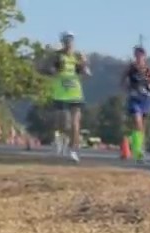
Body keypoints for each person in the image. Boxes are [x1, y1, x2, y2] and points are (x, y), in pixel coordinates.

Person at [44, 31, 90, 163]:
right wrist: (53, 70)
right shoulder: (57, 56)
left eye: (71, 40)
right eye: (66, 40)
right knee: (63, 123)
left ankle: (73, 150)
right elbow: (48, 69)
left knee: (76, 124)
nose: (69, 43)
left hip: (75, 94)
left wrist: (84, 64)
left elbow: (86, 74)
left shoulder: (77, 57)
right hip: (61, 94)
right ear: (63, 42)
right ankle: (60, 140)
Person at [122, 45, 150, 164]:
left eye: (141, 54)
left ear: (145, 56)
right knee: (137, 121)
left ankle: (139, 149)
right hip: (134, 98)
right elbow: (122, 81)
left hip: (145, 99)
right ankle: (137, 149)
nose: (139, 56)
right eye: (137, 54)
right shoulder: (131, 68)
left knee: (141, 126)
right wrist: (128, 88)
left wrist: (149, 82)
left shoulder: (149, 69)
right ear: (135, 55)